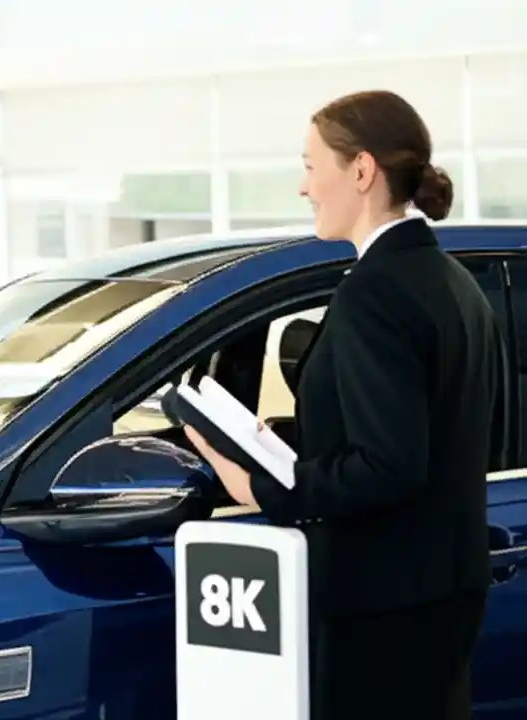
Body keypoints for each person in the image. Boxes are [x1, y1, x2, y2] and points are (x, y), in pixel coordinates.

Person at [185, 90, 497, 720]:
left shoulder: (375, 294)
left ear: (361, 170)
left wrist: (264, 486)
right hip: (442, 592)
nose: (303, 187)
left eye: (309, 165)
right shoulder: (453, 281)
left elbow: (388, 464)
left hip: (382, 607)